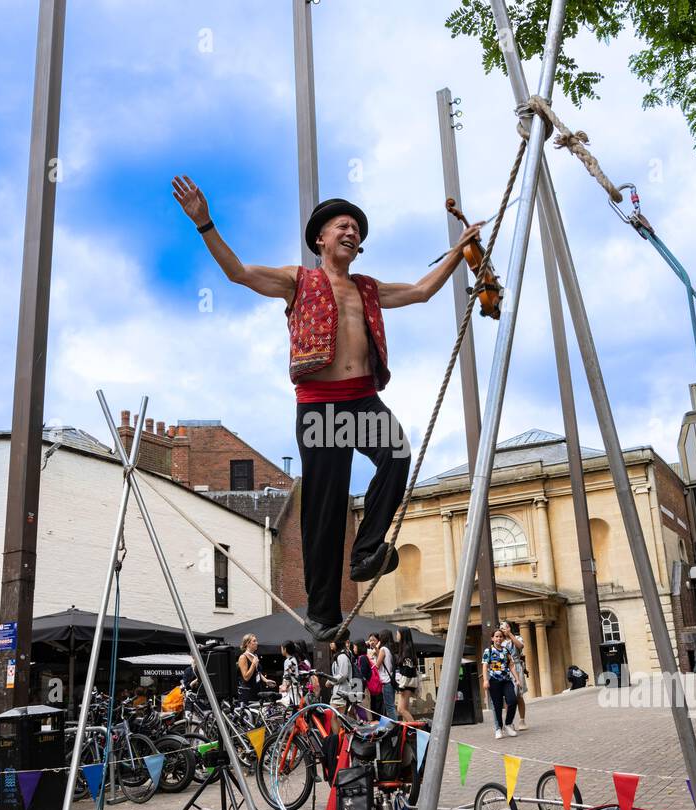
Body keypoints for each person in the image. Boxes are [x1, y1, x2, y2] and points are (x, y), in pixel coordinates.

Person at [172, 177, 482, 646]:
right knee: (325, 507)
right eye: (344, 225)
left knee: (396, 456)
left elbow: (420, 291)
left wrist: (460, 251)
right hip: (320, 403)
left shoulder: (369, 289)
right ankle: (322, 613)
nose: (352, 232)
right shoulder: (297, 280)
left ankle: (367, 550)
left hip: (362, 397)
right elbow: (236, 272)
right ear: (321, 237)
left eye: (358, 228)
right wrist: (204, 223)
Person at [481, 629, 519, 739]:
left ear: (503, 638)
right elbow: (485, 666)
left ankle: (508, 724)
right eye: (496, 636)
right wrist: (485, 680)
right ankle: (498, 728)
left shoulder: (506, 650)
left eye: (501, 636)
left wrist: (517, 679)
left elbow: (511, 665)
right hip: (494, 681)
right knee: (497, 706)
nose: (498, 638)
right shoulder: (488, 651)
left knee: (513, 700)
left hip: (507, 680)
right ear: (492, 638)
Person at [500, 622, 529, 730]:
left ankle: (522, 720)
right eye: (501, 628)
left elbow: (520, 646)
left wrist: (510, 635)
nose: (503, 629)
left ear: (509, 628)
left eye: (505, 627)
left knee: (518, 695)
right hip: (505, 669)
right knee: (507, 697)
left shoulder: (516, 637)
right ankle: (509, 722)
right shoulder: (500, 641)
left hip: (516, 666)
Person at [327, 634, 363, 716]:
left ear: (338, 643)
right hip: (342, 689)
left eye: (332, 642)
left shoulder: (342, 656)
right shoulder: (342, 655)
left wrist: (330, 681)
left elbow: (343, 675)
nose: (330, 644)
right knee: (339, 716)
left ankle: (340, 729)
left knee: (335, 716)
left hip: (341, 690)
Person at [236, 634, 276, 704]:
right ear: (248, 644)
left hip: (257, 691)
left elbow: (257, 672)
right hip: (248, 693)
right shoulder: (243, 657)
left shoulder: (255, 656)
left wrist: (266, 680)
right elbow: (246, 677)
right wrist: (253, 664)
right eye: (254, 641)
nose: (257, 643)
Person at [392, 627, 418, 723]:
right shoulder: (407, 649)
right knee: (404, 709)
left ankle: (416, 730)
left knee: (401, 709)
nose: (396, 635)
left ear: (402, 635)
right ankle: (410, 732)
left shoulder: (406, 650)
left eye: (398, 633)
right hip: (407, 683)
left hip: (406, 683)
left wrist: (402, 686)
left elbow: (407, 669)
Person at [375, 630, 396, 719]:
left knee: (389, 708)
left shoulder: (383, 649)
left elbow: (377, 665)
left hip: (386, 681)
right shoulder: (391, 649)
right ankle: (395, 725)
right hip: (391, 681)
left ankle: (395, 727)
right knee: (391, 706)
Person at [281, 641, 304, 708]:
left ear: (285, 649)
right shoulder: (294, 659)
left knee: (295, 707)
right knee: (297, 707)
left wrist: (285, 686)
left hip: (293, 688)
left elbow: (289, 676)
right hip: (296, 687)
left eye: (281, 648)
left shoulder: (288, 661)